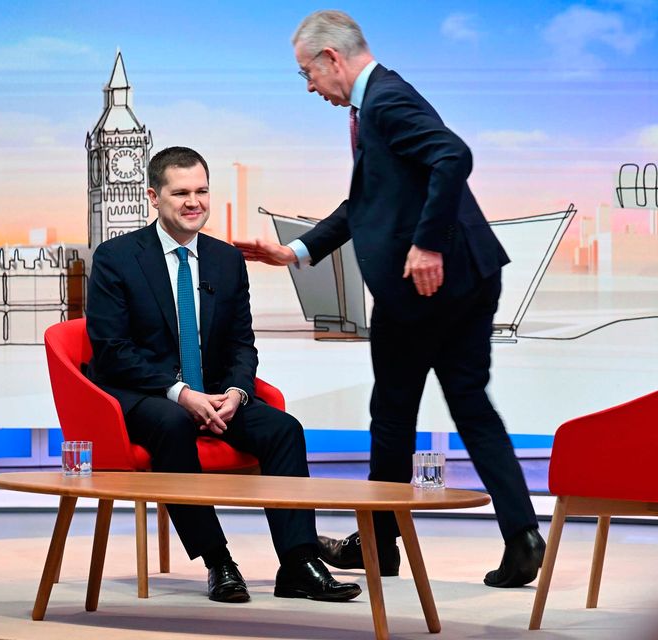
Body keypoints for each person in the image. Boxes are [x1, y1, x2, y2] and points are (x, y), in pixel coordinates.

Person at [234, 10, 545, 588]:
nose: (309, 87)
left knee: (392, 418)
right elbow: (365, 206)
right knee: (469, 407)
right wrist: (295, 253)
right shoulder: (377, 103)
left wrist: (427, 245)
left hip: (423, 289)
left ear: (332, 57)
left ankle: (379, 545)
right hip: (470, 278)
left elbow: (454, 156)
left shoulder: (383, 101)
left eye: (307, 73)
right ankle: (522, 535)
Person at [85, 146, 360, 604]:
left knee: (284, 430)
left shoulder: (225, 260)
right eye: (181, 193)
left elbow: (240, 343)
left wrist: (235, 392)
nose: (194, 202)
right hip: (143, 395)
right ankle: (219, 561)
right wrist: (180, 394)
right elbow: (112, 353)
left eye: (202, 191)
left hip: (216, 395)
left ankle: (298, 563)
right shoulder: (116, 258)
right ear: (154, 196)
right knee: (172, 424)